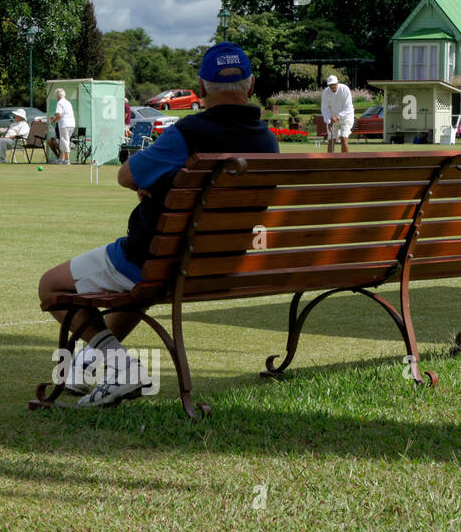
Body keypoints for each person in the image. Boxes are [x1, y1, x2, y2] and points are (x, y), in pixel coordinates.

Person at [36, 43, 279, 408]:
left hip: (158, 258)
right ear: (251, 85)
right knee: (143, 288)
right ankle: (92, 363)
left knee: (50, 285)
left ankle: (120, 368)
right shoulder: (268, 141)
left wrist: (155, 185)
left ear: (200, 84)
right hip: (217, 262)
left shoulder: (189, 132)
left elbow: (125, 175)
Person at [321, 74, 354, 154]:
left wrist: (338, 117)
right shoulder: (325, 93)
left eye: (334, 84)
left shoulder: (345, 89)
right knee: (331, 139)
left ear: (337, 82)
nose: (332, 86)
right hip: (332, 118)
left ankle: (345, 161)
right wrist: (328, 121)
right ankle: (330, 161)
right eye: (330, 85)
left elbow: (348, 107)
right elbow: (324, 109)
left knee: (344, 138)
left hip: (346, 117)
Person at [51, 88, 75, 164]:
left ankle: (67, 160)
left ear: (57, 96)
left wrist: (54, 120)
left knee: (65, 141)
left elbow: (59, 115)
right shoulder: (68, 102)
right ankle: (61, 159)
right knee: (63, 141)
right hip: (72, 124)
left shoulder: (59, 103)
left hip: (64, 124)